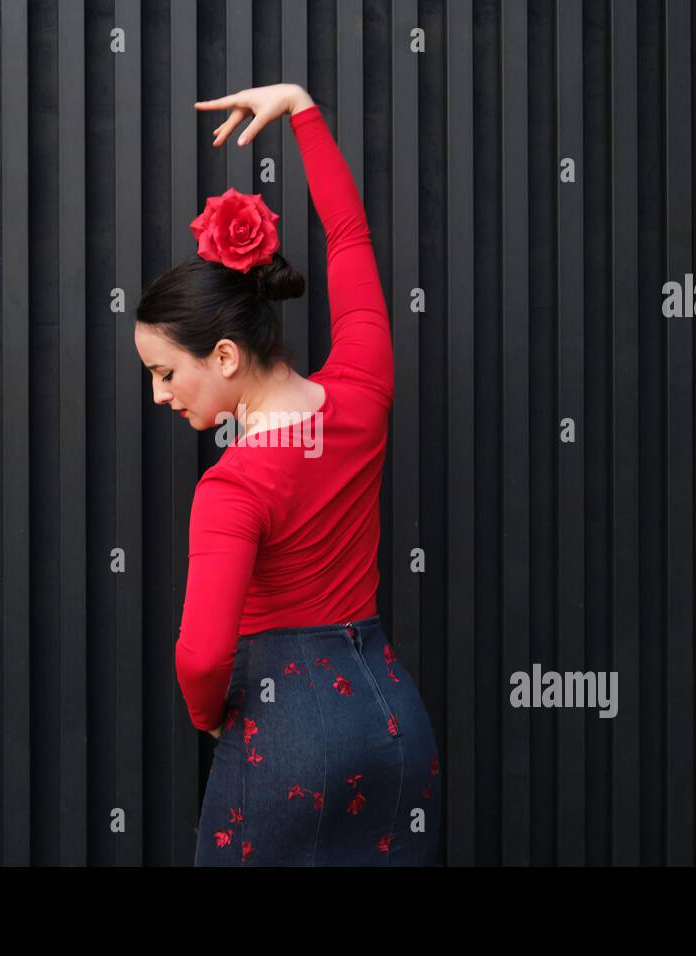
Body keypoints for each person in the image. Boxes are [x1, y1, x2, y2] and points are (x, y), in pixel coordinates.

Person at [134, 83, 441, 866]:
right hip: (393, 724)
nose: (160, 395)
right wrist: (304, 110)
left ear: (226, 356)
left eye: (167, 373)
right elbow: (350, 238)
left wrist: (209, 717)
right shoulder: (364, 391)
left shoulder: (232, 488)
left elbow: (201, 656)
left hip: (288, 740)